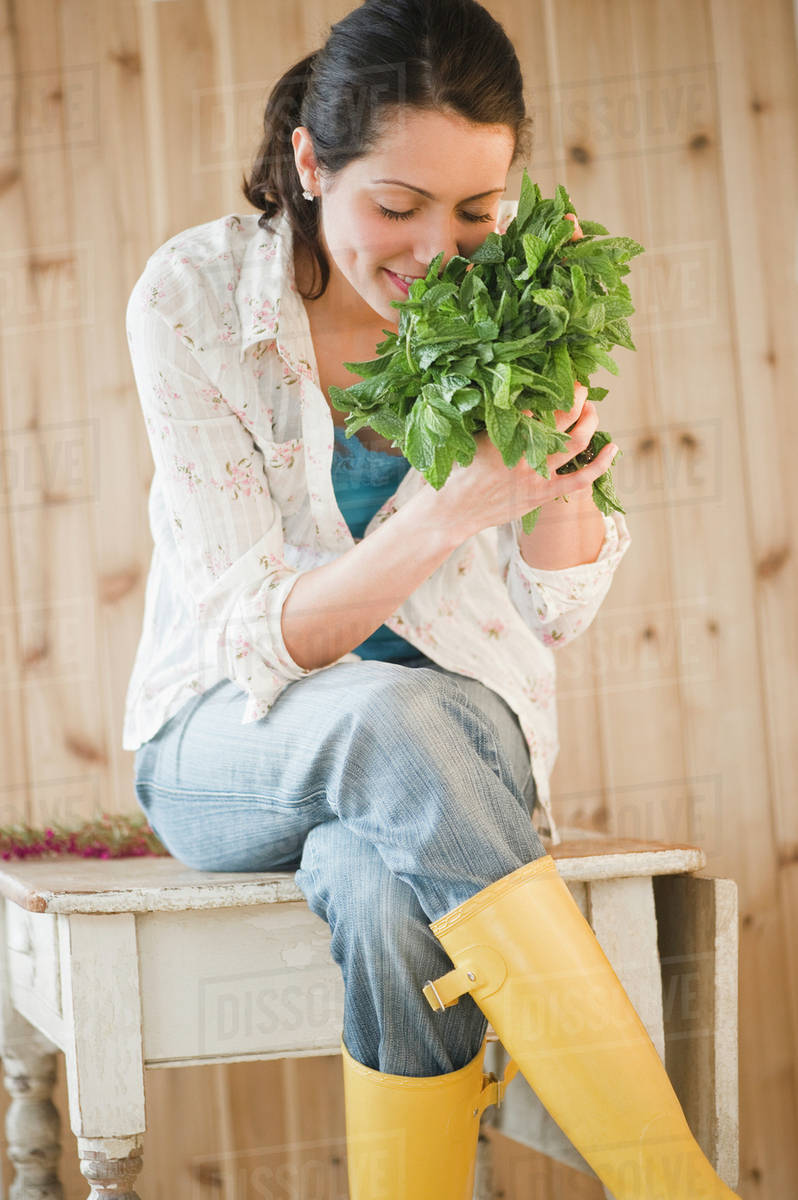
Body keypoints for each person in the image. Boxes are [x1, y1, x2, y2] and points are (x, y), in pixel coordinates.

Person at [124, 1, 739, 1196]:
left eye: (478, 212)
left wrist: (560, 482)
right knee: (382, 716)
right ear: (309, 164)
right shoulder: (194, 298)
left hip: (460, 753)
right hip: (228, 742)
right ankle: (679, 1187)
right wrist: (447, 509)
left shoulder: (518, 295)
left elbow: (553, 609)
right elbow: (266, 637)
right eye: (395, 209)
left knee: (376, 881)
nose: (438, 252)